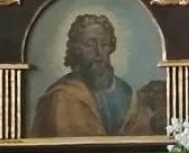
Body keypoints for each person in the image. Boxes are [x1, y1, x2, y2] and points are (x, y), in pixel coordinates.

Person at [30, 12, 163, 137]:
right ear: (76, 49)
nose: (99, 53)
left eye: (104, 44)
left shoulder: (129, 95)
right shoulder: (59, 97)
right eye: (89, 44)